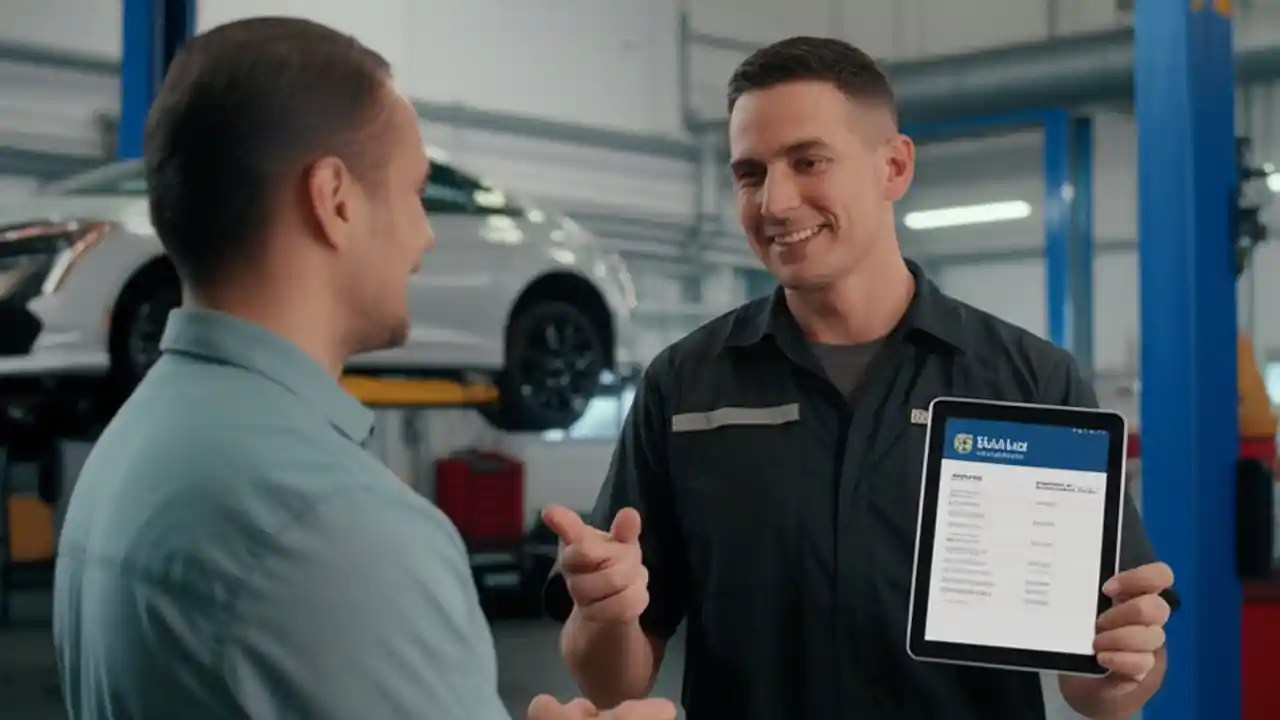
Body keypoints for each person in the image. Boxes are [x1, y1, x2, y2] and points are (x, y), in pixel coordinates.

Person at [50, 17, 674, 720]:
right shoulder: (342, 526)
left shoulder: (129, 450)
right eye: (413, 192)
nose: (426, 233)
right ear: (335, 200)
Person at [541, 36, 1178, 720]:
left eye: (808, 161)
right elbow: (616, 685)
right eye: (750, 173)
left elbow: (1098, 691)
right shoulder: (687, 388)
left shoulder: (1025, 381)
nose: (775, 202)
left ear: (894, 167)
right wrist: (603, 614)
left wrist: (1123, 663)